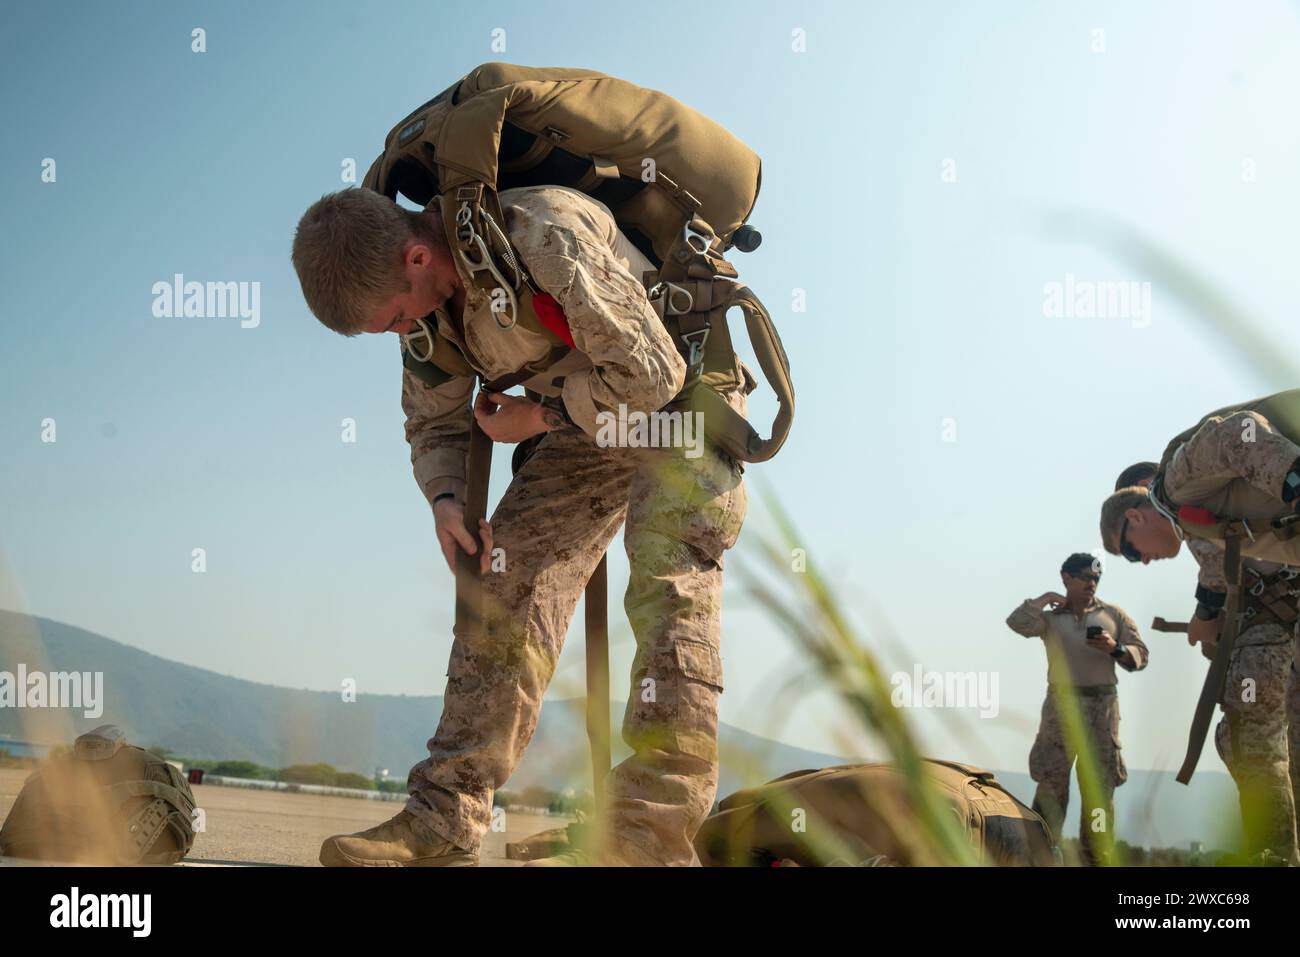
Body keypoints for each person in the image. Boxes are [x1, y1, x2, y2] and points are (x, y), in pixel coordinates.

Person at [291, 184, 755, 866]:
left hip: (683, 408)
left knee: (667, 592)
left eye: (391, 319)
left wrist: (539, 420)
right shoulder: (423, 302)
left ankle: (645, 841)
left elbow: (651, 377)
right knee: (503, 571)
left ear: (416, 256)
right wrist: (445, 497)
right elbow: (432, 416)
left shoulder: (542, 234)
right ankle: (444, 818)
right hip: (587, 419)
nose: (397, 331)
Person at [1114, 459, 1300, 863]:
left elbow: (1220, 570)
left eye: (1131, 546)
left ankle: (1276, 855)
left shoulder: (1179, 497)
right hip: (1281, 627)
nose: (1141, 557)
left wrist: (1204, 619)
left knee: (1249, 740)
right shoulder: (1207, 497)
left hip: (1280, 627)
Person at [1005, 553, 1149, 864]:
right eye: (1084, 577)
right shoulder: (1052, 619)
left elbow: (1141, 654)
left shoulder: (1113, 615)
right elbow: (1016, 622)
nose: (1092, 583)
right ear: (1067, 578)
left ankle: (1096, 857)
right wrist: (1045, 598)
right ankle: (1040, 856)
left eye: (1096, 578)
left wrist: (1115, 648)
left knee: (1098, 793)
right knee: (1051, 788)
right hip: (1061, 708)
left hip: (1103, 709)